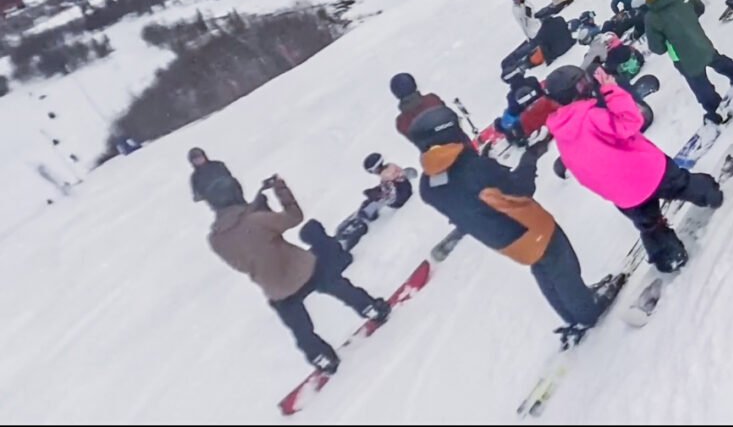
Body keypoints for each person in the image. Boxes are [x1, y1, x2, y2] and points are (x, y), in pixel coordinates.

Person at [403, 98, 604, 342]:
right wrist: (530, 159)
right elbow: (521, 189)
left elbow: (464, 196)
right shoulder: (473, 168)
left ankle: (571, 313)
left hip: (500, 240)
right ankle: (587, 312)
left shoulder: (428, 186)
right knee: (562, 266)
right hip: (530, 226)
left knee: (542, 269)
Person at [202, 169, 389, 372]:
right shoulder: (256, 220)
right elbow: (294, 217)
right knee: (337, 285)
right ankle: (371, 308)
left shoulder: (216, 239)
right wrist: (281, 191)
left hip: (274, 288)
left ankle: (321, 357)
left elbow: (240, 263)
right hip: (302, 269)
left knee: (300, 329)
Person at [544, 67, 724, 274]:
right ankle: (710, 193)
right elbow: (631, 121)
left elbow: (582, 173)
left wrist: (609, 189)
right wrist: (611, 91)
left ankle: (668, 257)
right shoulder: (591, 116)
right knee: (681, 184)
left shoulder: (562, 137)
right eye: (583, 83)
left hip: (623, 195)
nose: (588, 86)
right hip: (648, 171)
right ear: (576, 90)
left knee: (650, 224)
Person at [636, 0, 733, 122]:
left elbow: (658, 48)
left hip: (681, 56)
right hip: (699, 39)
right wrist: (687, 22)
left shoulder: (652, 17)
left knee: (699, 84)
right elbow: (699, 8)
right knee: (716, 59)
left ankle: (717, 110)